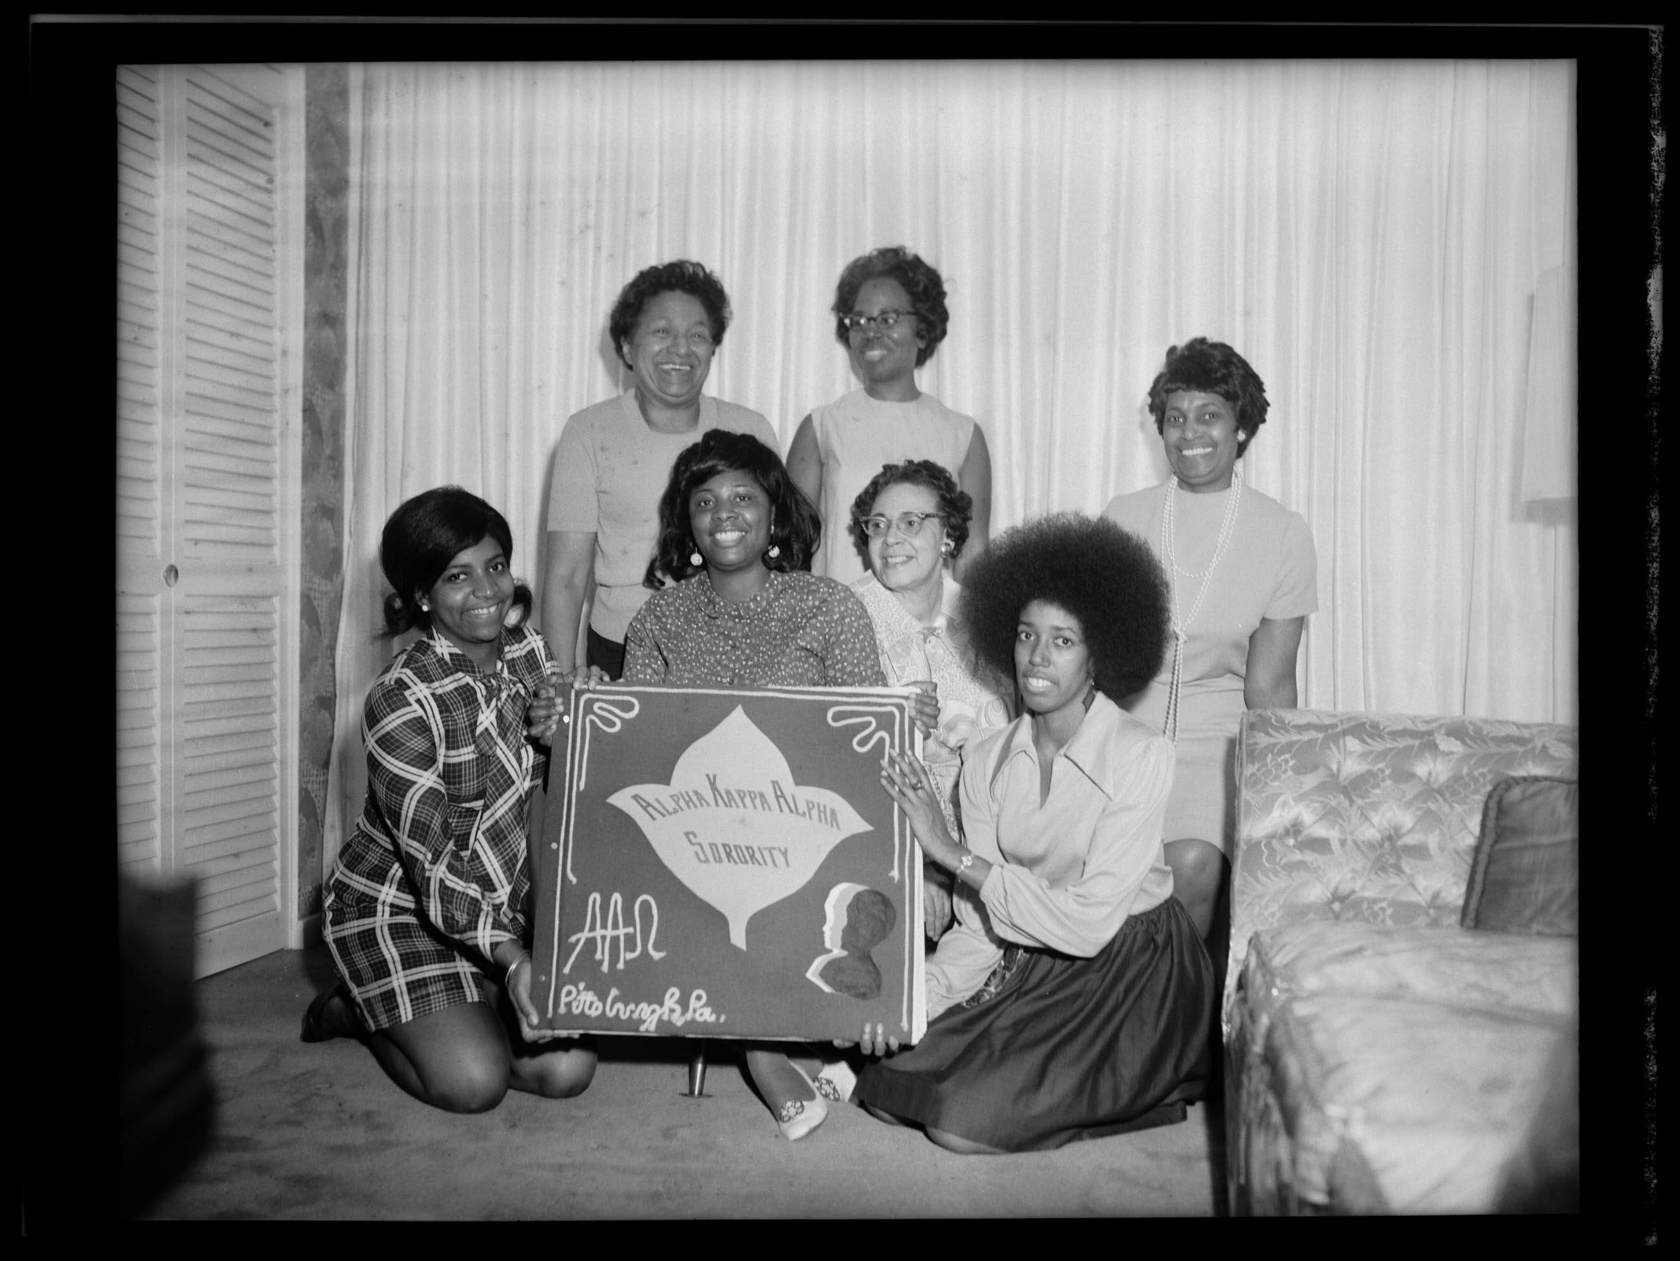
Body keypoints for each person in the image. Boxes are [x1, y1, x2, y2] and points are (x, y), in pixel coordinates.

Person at [851, 513, 1215, 1154]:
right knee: (887, 1085)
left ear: (1100, 653)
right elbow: (980, 928)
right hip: (1032, 950)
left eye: (1063, 641)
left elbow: (1089, 924)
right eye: (1026, 635)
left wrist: (949, 852)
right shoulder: (986, 760)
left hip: (1128, 966)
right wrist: (916, 999)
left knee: (958, 1127)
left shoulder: (1140, 753)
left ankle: (1135, 1095)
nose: (1037, 657)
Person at [620, 429, 894, 1141]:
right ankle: (763, 1048)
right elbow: (638, 751)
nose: (724, 513)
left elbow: (867, 743)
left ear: (775, 514)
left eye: (743, 496)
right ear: (686, 522)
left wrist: (905, 715)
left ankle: (775, 1032)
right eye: (704, 500)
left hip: (803, 830)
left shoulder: (828, 605)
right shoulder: (659, 617)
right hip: (697, 836)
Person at [299, 487, 597, 1112]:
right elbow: (433, 868)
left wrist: (580, 724)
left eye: (495, 566)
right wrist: (515, 963)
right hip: (404, 905)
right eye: (457, 576)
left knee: (567, 1072)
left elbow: (554, 796)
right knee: (474, 1084)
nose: (487, 590)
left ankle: (466, 1004)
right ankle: (358, 1011)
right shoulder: (400, 699)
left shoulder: (533, 654)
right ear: (421, 595)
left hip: (501, 905)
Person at [1102, 338, 1318, 948]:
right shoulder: (1123, 517)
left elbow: (1270, 687)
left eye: (1209, 415)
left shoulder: (1281, 533)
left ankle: (1169, 1004)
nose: (1190, 432)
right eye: (1175, 417)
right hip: (1120, 733)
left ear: (1241, 427)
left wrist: (1277, 796)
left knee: (1190, 864)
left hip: (1215, 746)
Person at [543, 259, 778, 679]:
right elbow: (567, 576)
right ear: (626, 346)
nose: (680, 349)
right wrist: (558, 687)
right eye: (662, 332)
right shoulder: (588, 432)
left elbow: (779, 558)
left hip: (737, 646)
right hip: (620, 648)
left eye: (697, 335)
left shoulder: (751, 429)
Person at [846, 459, 1012, 941]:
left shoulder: (988, 620)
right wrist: (920, 863)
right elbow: (838, 764)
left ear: (949, 536)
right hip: (885, 843)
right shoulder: (842, 616)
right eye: (879, 525)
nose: (890, 539)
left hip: (983, 846)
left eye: (911, 523)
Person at [786, 245, 992, 587]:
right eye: (860, 320)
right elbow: (793, 554)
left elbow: (972, 561)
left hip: (931, 620)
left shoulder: (963, 436)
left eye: (887, 319)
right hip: (838, 617)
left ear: (922, 329)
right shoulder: (821, 428)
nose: (871, 331)